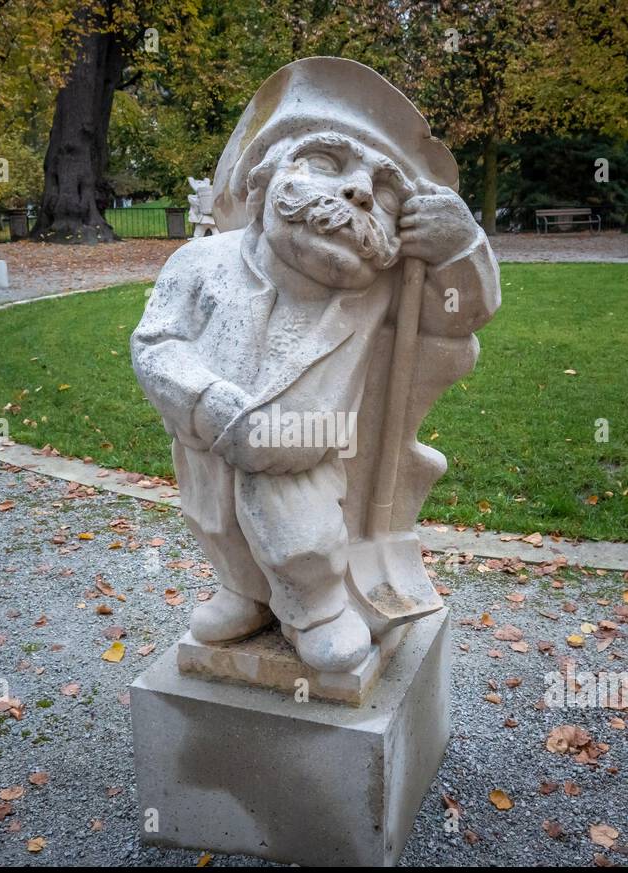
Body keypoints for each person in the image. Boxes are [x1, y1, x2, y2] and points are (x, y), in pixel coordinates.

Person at [131, 58, 500, 672]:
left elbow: (460, 318)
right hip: (204, 439)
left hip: (312, 446)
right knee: (214, 516)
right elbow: (156, 343)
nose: (358, 191)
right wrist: (207, 403)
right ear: (264, 178)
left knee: (298, 529)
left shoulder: (382, 293)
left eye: (384, 194)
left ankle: (316, 609)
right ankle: (244, 593)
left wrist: (461, 249)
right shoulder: (200, 263)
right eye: (327, 164)